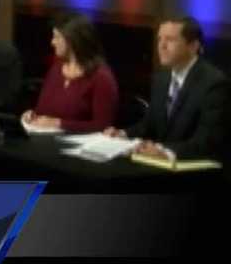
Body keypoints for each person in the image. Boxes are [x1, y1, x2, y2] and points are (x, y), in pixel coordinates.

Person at [104, 16, 230, 162]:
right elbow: (149, 125)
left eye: (170, 40)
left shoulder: (214, 84)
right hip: (159, 166)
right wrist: (122, 134)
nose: (161, 46)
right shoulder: (161, 79)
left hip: (195, 171)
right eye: (159, 39)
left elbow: (206, 142)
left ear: (193, 46)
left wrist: (165, 152)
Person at [21, 12, 119, 133]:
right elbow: (42, 110)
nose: (52, 42)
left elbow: (102, 126)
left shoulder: (101, 77)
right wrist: (33, 115)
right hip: (47, 140)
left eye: (56, 37)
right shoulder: (56, 69)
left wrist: (59, 124)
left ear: (71, 40)